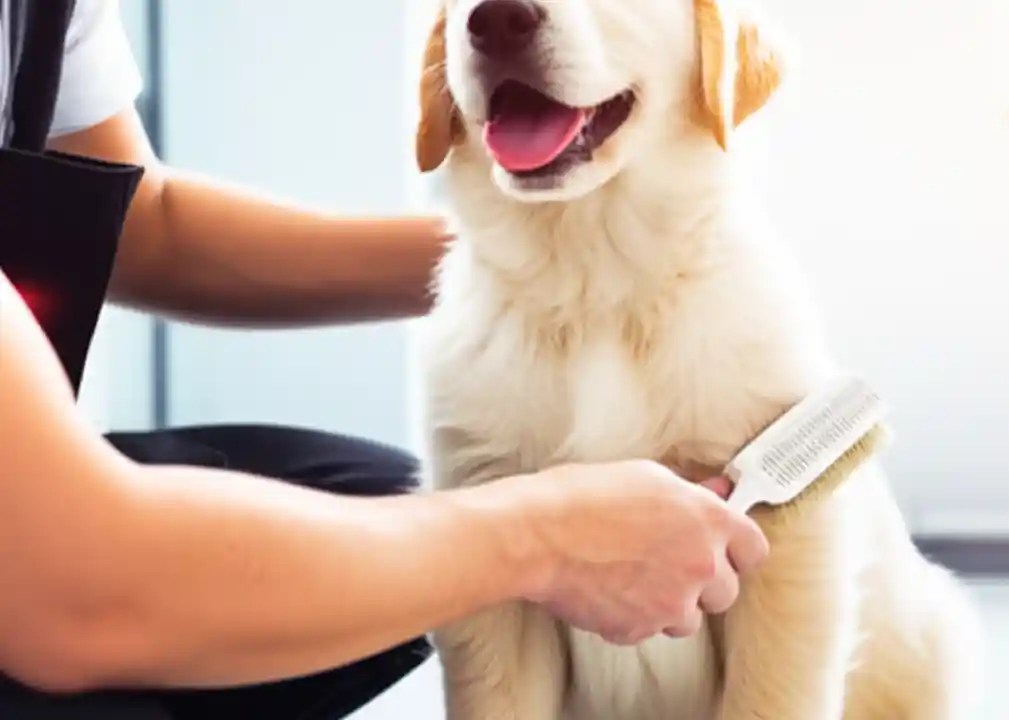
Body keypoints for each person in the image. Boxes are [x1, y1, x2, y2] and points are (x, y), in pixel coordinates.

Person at [0, 1, 769, 718]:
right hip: (49, 573)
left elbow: (142, 219)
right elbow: (75, 593)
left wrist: (541, 261)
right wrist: (550, 538)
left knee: (377, 506)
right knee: (401, 565)